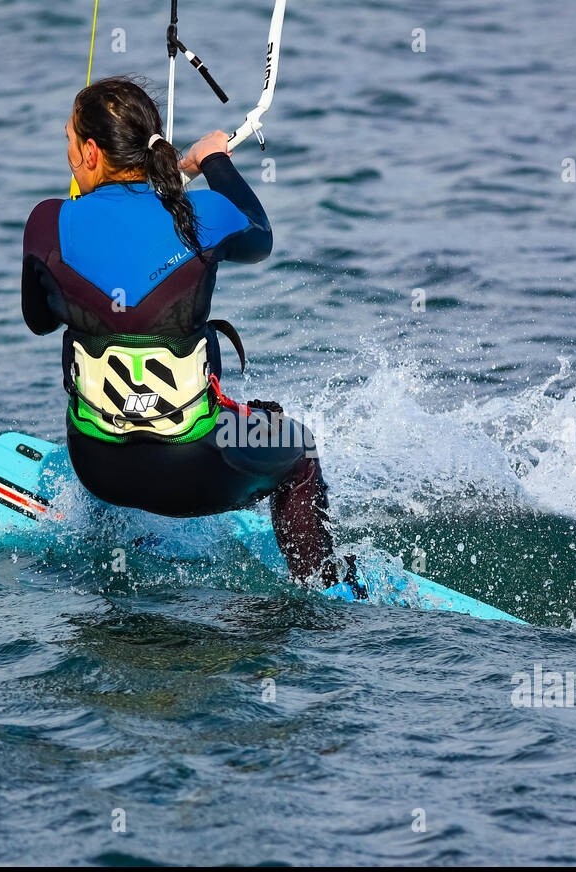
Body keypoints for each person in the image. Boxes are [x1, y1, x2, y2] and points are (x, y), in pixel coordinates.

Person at [22, 76, 361, 593]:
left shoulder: (47, 222)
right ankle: (322, 589)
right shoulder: (198, 213)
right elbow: (260, 236)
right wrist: (212, 159)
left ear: (92, 153)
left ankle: (118, 548)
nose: (67, 152)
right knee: (300, 449)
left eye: (69, 140)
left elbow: (39, 321)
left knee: (96, 395)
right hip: (197, 466)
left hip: (98, 466)